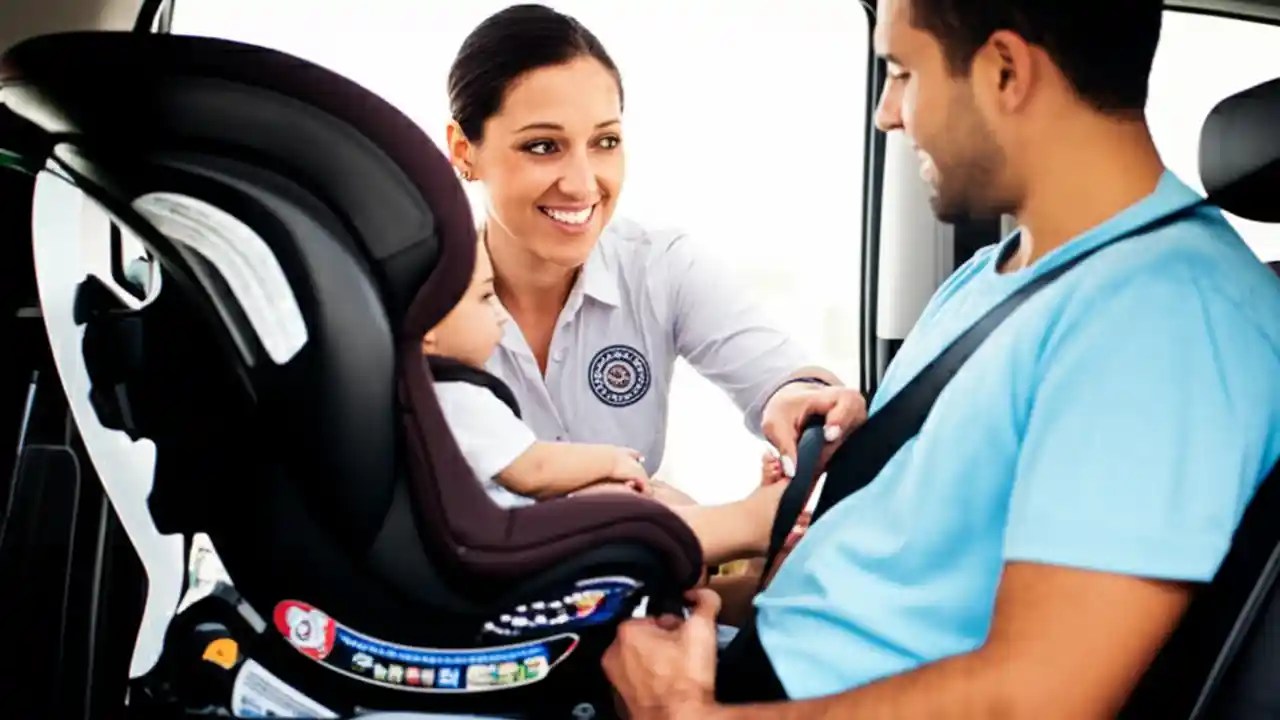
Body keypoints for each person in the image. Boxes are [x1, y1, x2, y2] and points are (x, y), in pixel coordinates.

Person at [602, 0, 1280, 717]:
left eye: (901, 71)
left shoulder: (1167, 319)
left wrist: (685, 714)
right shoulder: (999, 273)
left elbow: (1036, 699)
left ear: (1004, 71)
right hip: (763, 661)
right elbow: (908, 573)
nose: (886, 113)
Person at [443, 3, 865, 506]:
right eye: (542, 146)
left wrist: (799, 398)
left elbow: (782, 377)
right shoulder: (422, 300)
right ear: (464, 151)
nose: (582, 185)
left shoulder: (658, 266)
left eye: (605, 141)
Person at [424, 236, 787, 565]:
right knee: (626, 510)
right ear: (427, 331)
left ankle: (726, 571)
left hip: (510, 538)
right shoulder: (455, 399)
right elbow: (535, 470)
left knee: (655, 499)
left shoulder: (437, 394)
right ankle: (748, 525)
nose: (500, 314)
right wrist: (610, 460)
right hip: (519, 558)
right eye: (486, 298)